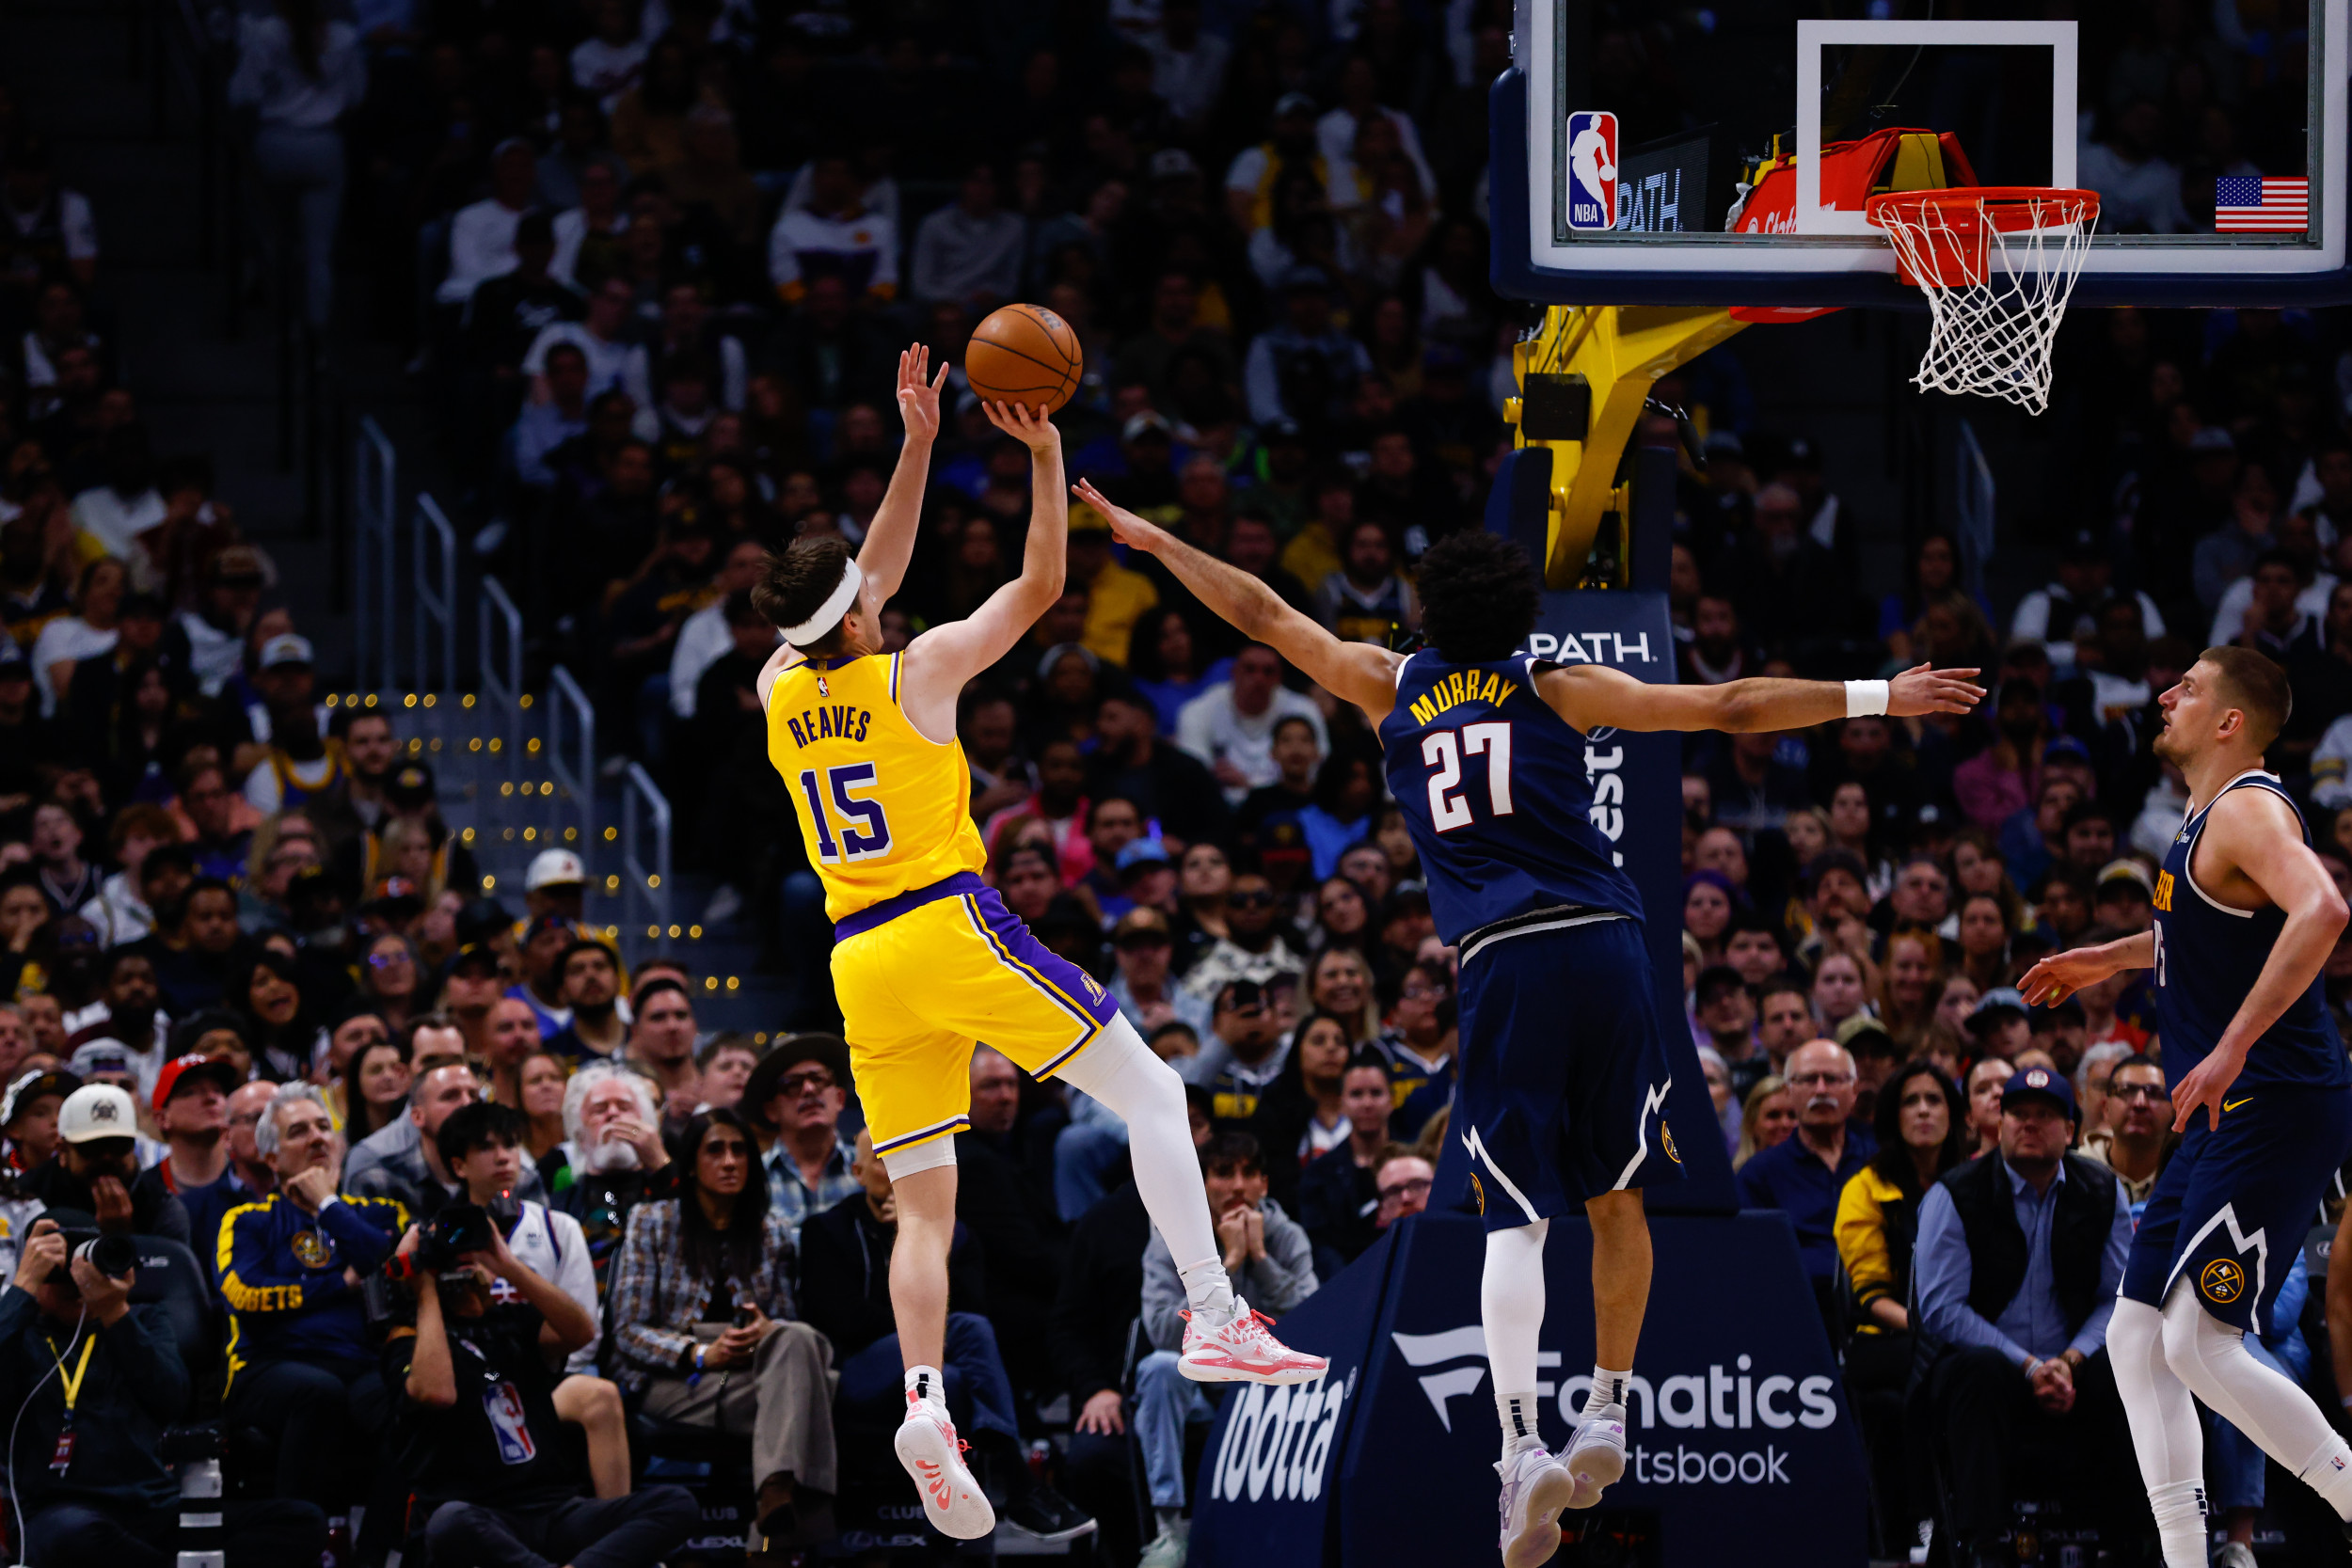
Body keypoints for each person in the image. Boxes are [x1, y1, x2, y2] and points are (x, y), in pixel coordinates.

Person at [1074, 483, 1982, 1559]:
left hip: (1502, 963)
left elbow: (1265, 615)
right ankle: (1605, 1405)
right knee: (1616, 1198)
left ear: (1427, 610)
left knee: (1516, 1221)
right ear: (1515, 615)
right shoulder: (1557, 681)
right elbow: (1731, 704)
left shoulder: (1390, 682)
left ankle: (1517, 1454)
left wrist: (1150, 537)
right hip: (1606, 948)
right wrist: (1883, 689)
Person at [751, 353, 1324, 1538]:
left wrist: (916, 443)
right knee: (1159, 1089)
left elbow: (864, 579)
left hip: (857, 956)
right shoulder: (925, 669)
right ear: (857, 618)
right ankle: (1214, 1311)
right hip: (947, 922)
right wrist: (1047, 451)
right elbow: (1044, 577)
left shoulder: (776, 686)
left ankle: (923, 1402)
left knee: (922, 1206)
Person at [2021, 646, 2352, 1568]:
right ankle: (2184, 1556)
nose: (2164, 694)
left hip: (2276, 1100)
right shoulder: (2202, 815)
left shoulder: (2247, 806)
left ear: (2228, 721)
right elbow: (2193, 924)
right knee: (2133, 1335)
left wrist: (2233, 1042)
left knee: (2198, 1341)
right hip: (2225, 1109)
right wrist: (2103, 956)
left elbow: (2322, 908)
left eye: (2189, 688)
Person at [798, 1129, 1093, 1545]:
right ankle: (1014, 1474)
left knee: (955, 1381)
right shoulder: (826, 1231)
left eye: (905, 1158)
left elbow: (974, 1302)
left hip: (935, 1375)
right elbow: (840, 1320)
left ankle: (955, 1516)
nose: (898, 1170)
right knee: (966, 1332)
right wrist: (918, 1315)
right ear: (857, 1171)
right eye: (884, 1159)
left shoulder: (954, 1233)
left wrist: (923, 1241)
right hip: (854, 1373)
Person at [1, 1215, 326, 1568]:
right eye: (58, 1269)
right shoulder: (17, 1331)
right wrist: (24, 1285)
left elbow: (170, 1399)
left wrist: (115, 1312)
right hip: (60, 1513)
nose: (76, 1279)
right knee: (75, 1536)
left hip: (154, 1508)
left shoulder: (141, 1319)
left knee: (301, 1520)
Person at [1912, 1067, 2137, 1568]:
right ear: (1999, 1123)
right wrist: (2031, 1366)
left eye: (2045, 1115)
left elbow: (2119, 1298)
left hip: (2072, 1363)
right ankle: (1984, 1546)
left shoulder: (2103, 1191)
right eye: (2018, 1114)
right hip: (1988, 1365)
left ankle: (2132, 1545)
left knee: (2132, 1369)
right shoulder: (1955, 1194)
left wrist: (2073, 1360)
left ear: (2072, 1131)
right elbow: (1941, 1309)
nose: (2029, 1124)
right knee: (1978, 1373)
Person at [385, 1205, 696, 1568]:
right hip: (485, 1517)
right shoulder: (408, 1342)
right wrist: (423, 1287)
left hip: (555, 1509)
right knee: (448, 1522)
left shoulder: (512, 1322)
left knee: (676, 1503)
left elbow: (581, 1331)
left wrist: (505, 1261)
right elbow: (438, 1392)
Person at [608, 1110, 836, 1559]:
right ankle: (773, 1540)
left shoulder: (770, 1232)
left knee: (797, 1342)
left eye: (739, 1151)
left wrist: (764, 1331)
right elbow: (627, 1330)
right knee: (820, 1390)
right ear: (691, 1163)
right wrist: (698, 1353)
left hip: (749, 1376)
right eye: (715, 1150)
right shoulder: (650, 1222)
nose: (730, 1161)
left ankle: (774, 1496)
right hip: (676, 1379)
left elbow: (788, 1330)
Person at [217, 1083, 406, 1515]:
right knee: (316, 1392)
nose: (317, 1137)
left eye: (324, 1127)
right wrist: (338, 1286)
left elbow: (388, 1268)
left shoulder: (379, 1213)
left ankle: (380, 1555)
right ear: (272, 1158)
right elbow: (245, 1295)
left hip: (361, 1362)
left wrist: (327, 1204)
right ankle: (296, 1541)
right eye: (298, 1131)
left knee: (403, 1397)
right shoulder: (248, 1220)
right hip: (267, 1364)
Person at [1133, 1133, 1318, 1566]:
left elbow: (1317, 1324)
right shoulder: (1169, 1239)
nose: (1238, 1186)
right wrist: (1227, 1265)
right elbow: (1161, 1333)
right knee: (1158, 1368)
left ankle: (1290, 1532)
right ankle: (1169, 1529)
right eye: (1223, 1173)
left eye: (1248, 1173)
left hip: (1268, 1386)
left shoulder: (1286, 1236)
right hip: (1199, 1389)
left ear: (1264, 1184)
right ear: (1202, 1185)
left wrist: (1261, 1259)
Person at [1835, 1061, 1969, 1555]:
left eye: (1934, 1100)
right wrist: (1934, 1327)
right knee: (1930, 1370)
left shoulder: (1973, 1179)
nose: (1924, 1111)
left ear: (1953, 1114)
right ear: (1892, 1116)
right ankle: (1922, 1522)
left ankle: (1961, 1523)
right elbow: (1870, 1297)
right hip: (1884, 1338)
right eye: (1911, 1102)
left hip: (1962, 1334)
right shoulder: (1865, 1187)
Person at [24, 1084, 190, 1245]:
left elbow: (170, 1268)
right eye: (91, 1147)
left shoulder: (159, 1205)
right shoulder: (28, 1197)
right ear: (62, 1151)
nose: (107, 1158)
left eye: (119, 1146)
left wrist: (120, 1235)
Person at [131, 1053, 250, 1262]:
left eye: (219, 1090)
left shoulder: (249, 1180)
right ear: (161, 1118)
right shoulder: (144, 1192)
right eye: (190, 1092)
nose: (211, 1098)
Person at [744, 1035, 858, 1241]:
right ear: (771, 1110)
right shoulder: (752, 1179)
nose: (809, 1089)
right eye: (792, 1085)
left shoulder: (871, 1171)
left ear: (840, 1099)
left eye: (819, 1079)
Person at [2079, 1053, 2170, 1203]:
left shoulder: (2187, 1176)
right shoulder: (2076, 1173)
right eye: (2126, 1090)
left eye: (2154, 1093)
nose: (2140, 1103)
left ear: (2174, 1109)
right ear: (2105, 1108)